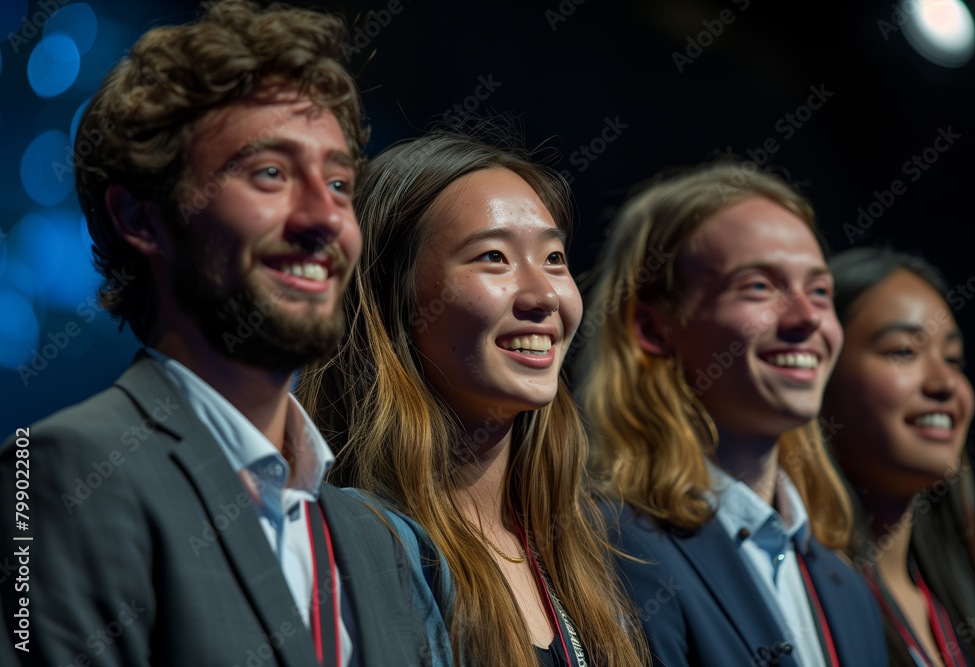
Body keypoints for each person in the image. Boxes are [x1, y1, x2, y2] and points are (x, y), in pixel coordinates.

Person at [0, 2, 430, 665]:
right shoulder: (56, 472)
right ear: (143, 217)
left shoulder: (381, 543)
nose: (326, 215)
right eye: (271, 174)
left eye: (341, 182)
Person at [297, 130, 648, 667]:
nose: (544, 294)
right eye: (494, 257)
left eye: (554, 258)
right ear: (393, 296)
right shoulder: (354, 544)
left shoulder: (576, 546)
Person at [579, 160, 889, 666]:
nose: (808, 317)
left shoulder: (846, 587)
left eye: (819, 291)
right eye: (760, 287)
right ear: (655, 328)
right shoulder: (613, 550)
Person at [822, 247, 975, 667]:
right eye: (903, 351)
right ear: (818, 378)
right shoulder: (792, 602)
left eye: (953, 359)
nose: (946, 383)